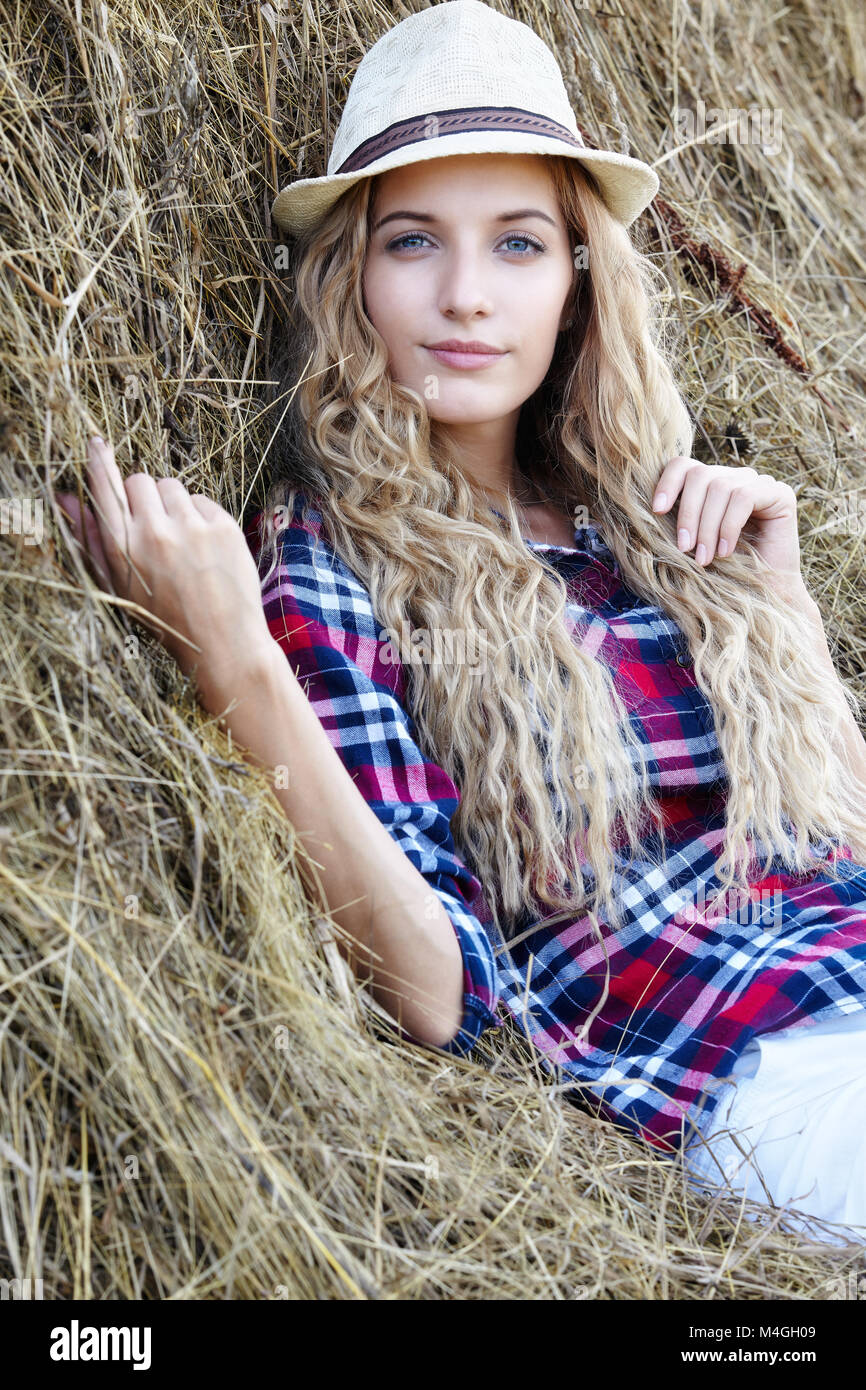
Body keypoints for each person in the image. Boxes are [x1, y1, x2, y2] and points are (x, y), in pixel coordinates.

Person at [56, 0, 866, 1247]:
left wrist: (784, 610)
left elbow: (833, 838)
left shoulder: (649, 518)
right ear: (351, 278)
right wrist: (234, 657)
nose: (466, 297)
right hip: (762, 1063)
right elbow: (437, 993)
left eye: (519, 245)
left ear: (577, 279)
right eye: (414, 242)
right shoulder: (332, 567)